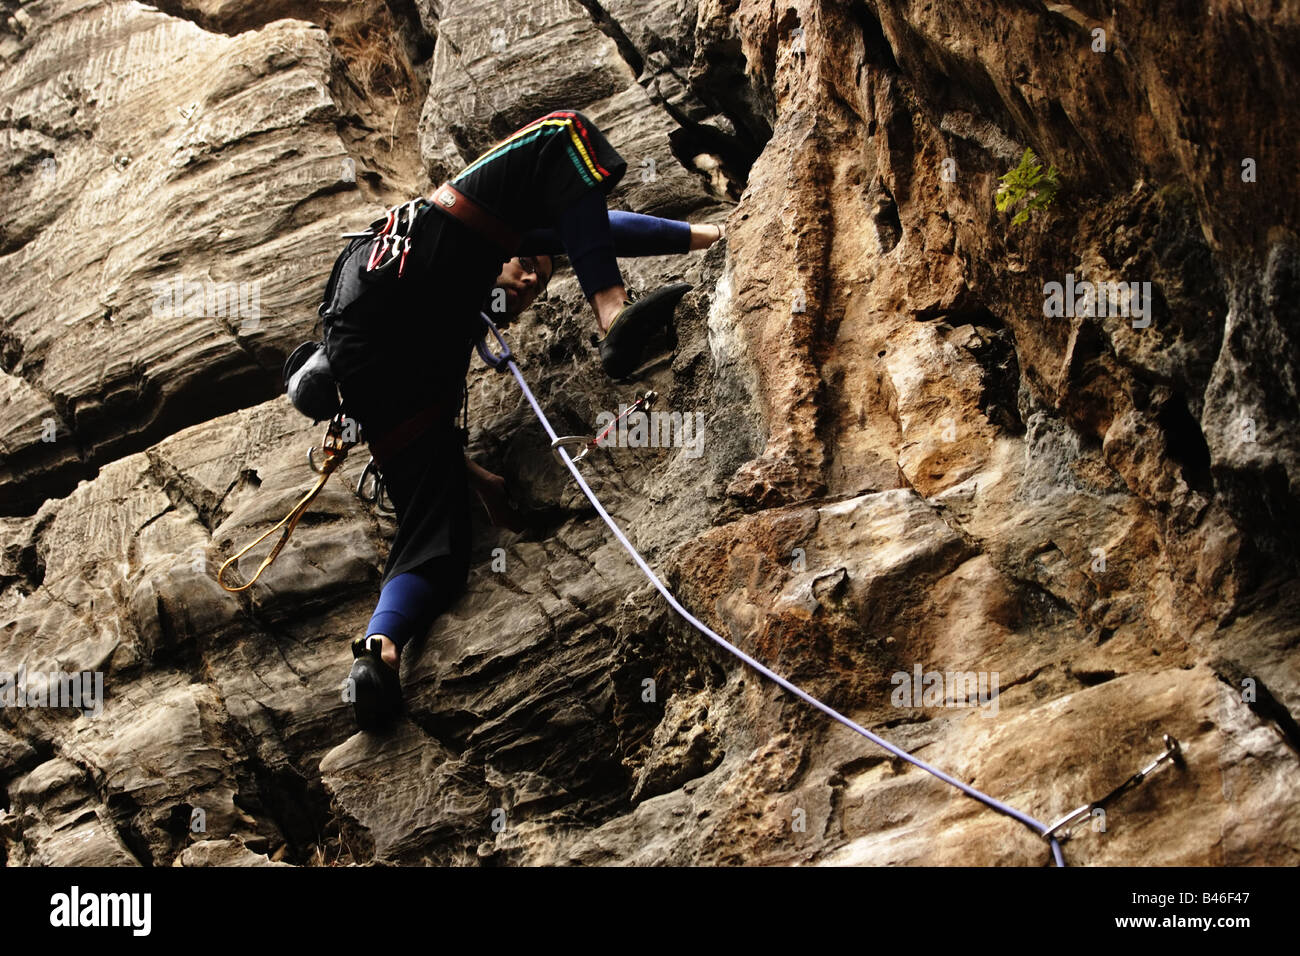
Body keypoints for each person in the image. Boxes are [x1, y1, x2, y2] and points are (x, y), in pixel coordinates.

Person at [321, 109, 723, 732]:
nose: (533, 276)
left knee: (435, 547)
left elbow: (579, 232)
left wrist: (474, 477)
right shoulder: (462, 241)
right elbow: (597, 224)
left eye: (539, 281)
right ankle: (611, 312)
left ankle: (378, 652)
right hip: (389, 273)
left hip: (372, 367)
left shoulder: (451, 339)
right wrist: (710, 236)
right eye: (529, 263)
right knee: (564, 136)